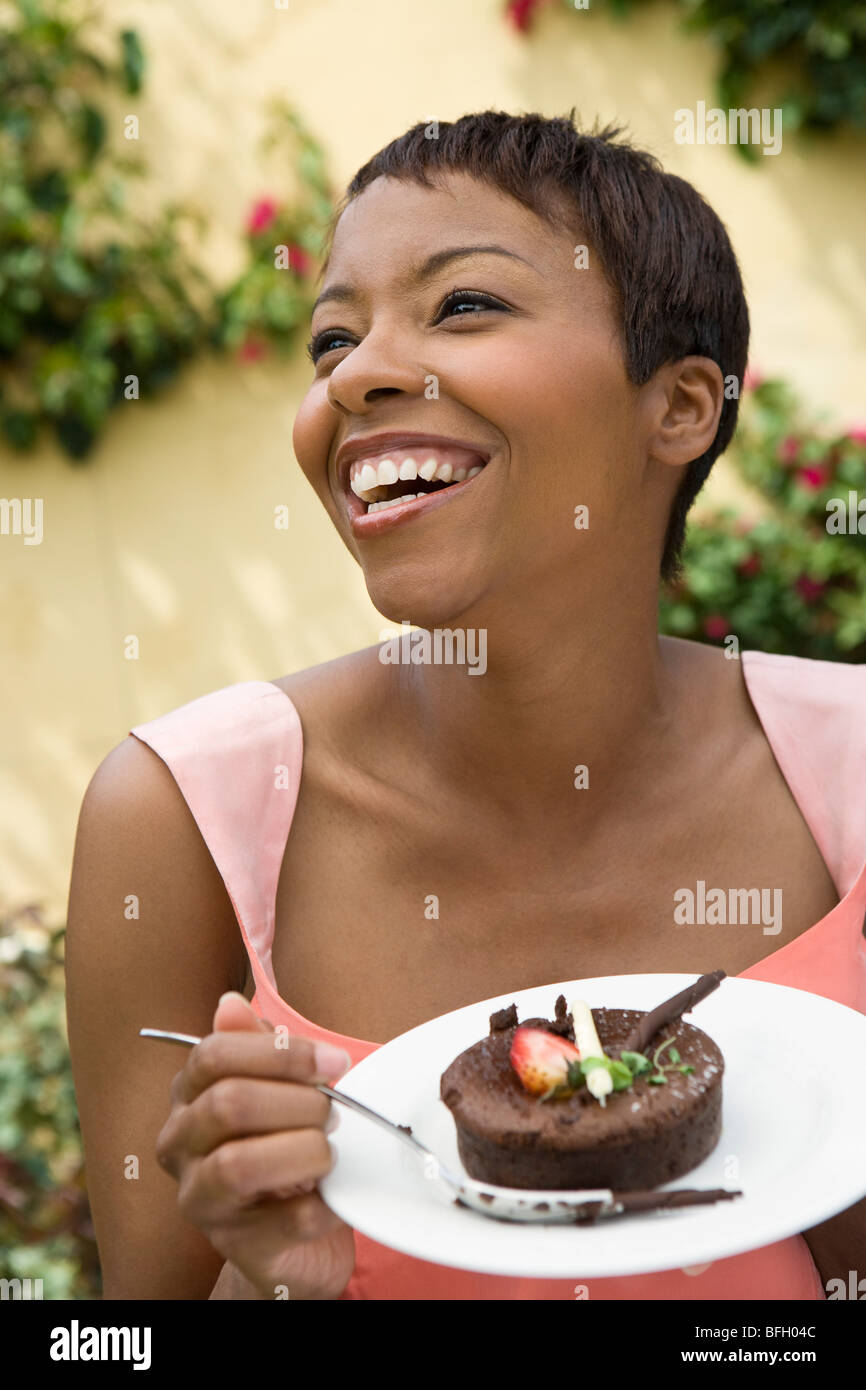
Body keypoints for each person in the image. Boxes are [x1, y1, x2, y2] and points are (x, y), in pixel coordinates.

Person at [66, 110, 866, 1299]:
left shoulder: (844, 775)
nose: (357, 374)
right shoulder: (185, 819)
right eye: (330, 338)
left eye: (463, 306)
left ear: (681, 407)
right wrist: (276, 1279)